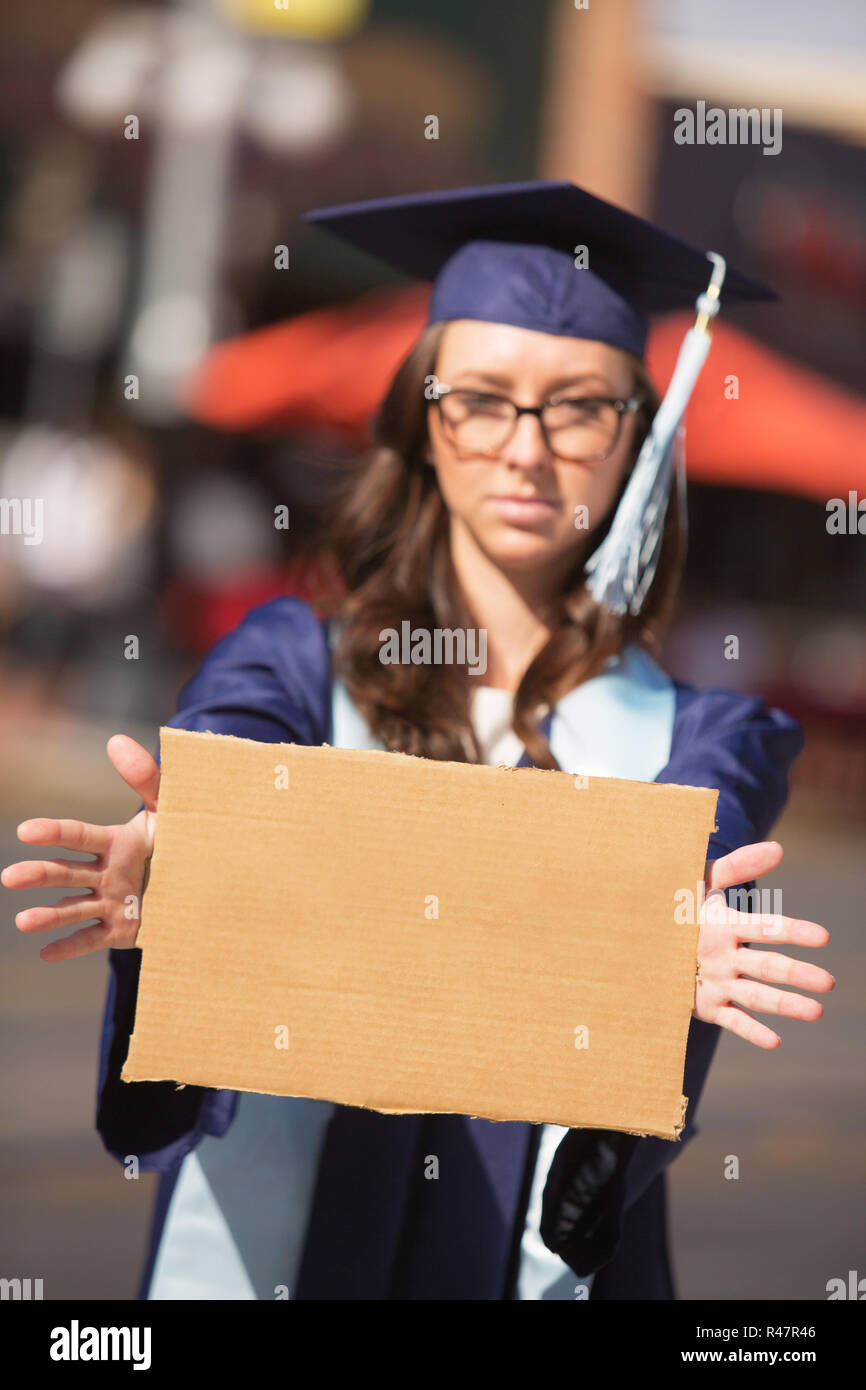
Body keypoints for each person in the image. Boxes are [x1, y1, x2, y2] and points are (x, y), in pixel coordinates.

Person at [3, 181, 834, 1300]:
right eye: (478, 398)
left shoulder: (703, 733)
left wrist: (661, 943)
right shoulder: (292, 663)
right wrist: (189, 850)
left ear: (638, 437)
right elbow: (233, 738)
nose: (524, 450)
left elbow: (704, 828)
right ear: (418, 419)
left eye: (579, 405)